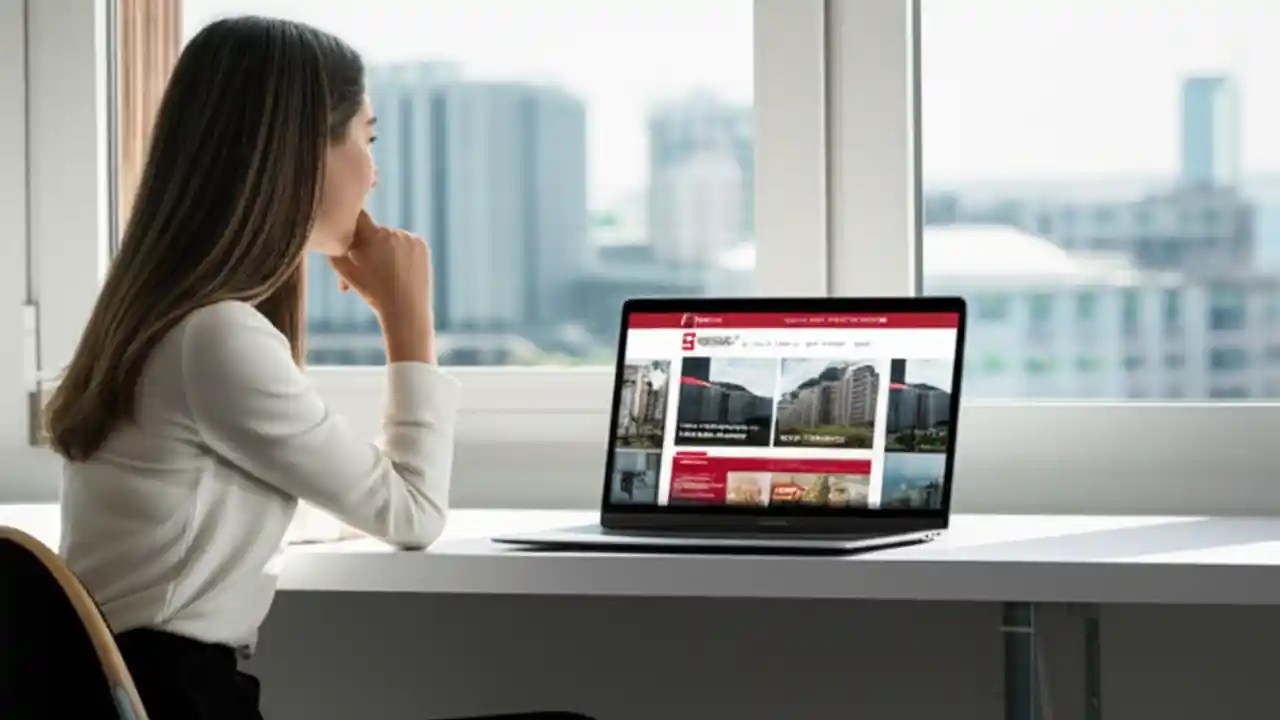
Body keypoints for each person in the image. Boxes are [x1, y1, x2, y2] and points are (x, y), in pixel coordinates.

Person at [44, 16, 459, 719]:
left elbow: (209, 508)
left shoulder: (165, 320)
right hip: (182, 700)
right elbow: (415, 514)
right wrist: (408, 317)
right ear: (303, 155)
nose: (374, 172)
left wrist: (338, 504)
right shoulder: (217, 338)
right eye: (367, 138)